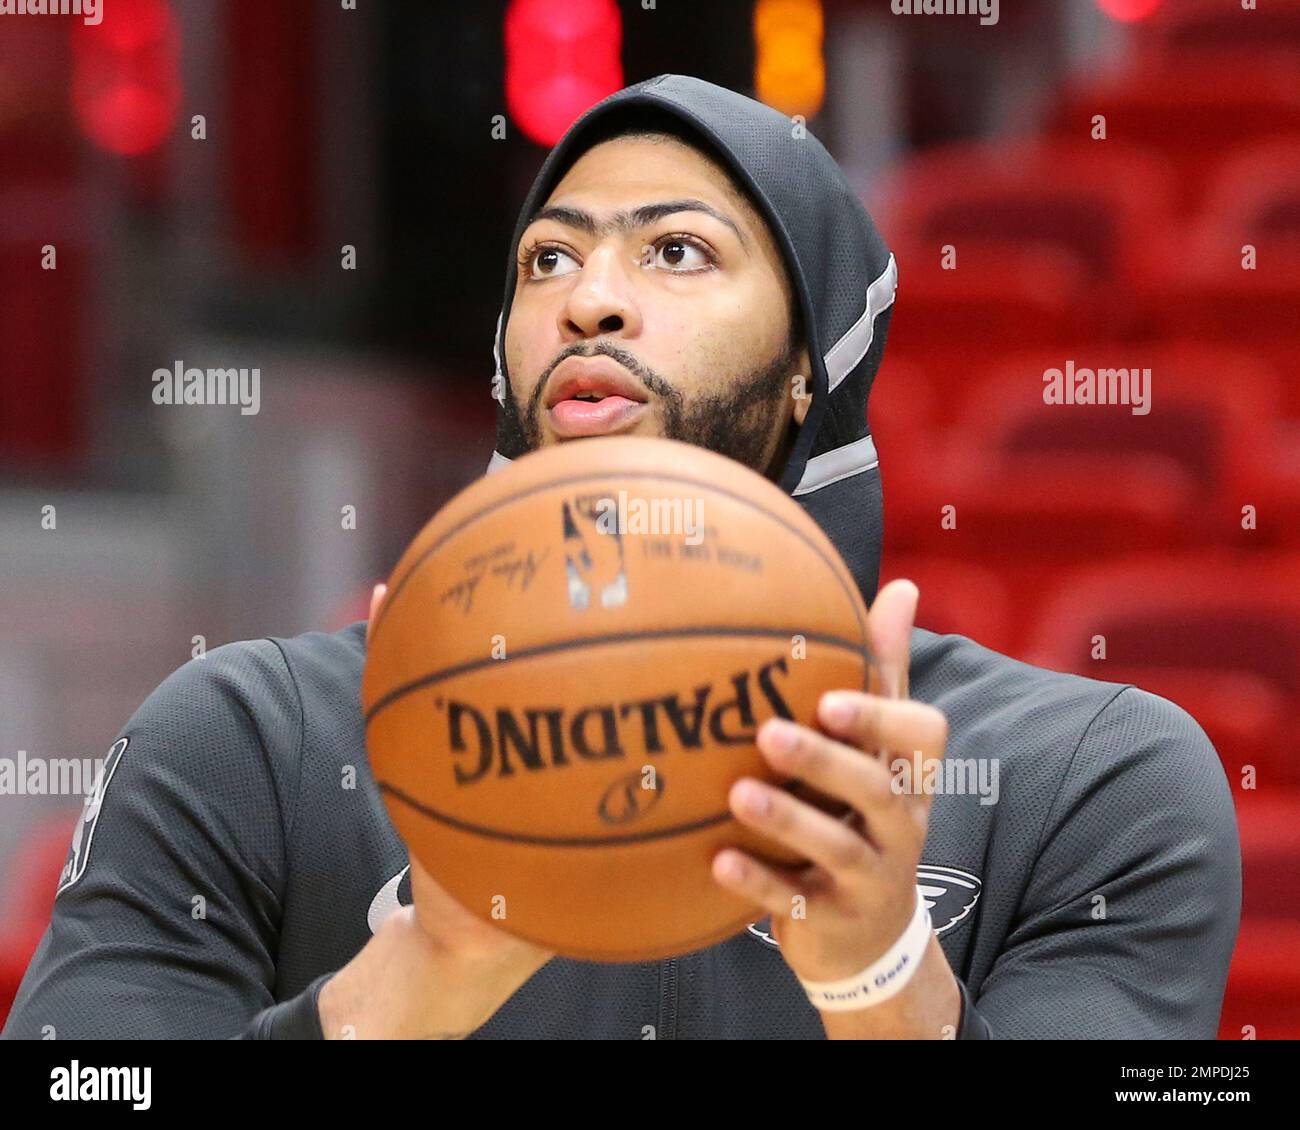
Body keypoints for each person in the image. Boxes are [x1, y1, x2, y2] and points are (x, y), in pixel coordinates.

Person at [2, 75, 1240, 1040]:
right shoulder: (249, 736)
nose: (589, 297)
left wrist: (880, 980)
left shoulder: (1095, 776)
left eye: (677, 250)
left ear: (813, 353)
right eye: (550, 257)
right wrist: (411, 980)